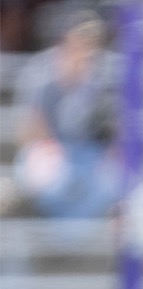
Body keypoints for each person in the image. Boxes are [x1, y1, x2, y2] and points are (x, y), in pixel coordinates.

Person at [10, 7, 120, 220]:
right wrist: (50, 147)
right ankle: (58, 236)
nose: (85, 50)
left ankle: (76, 237)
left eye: (91, 43)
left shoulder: (108, 72)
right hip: (51, 149)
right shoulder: (38, 72)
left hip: (92, 152)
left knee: (116, 178)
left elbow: (119, 126)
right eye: (79, 42)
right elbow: (26, 128)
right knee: (43, 176)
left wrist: (111, 148)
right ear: (63, 43)